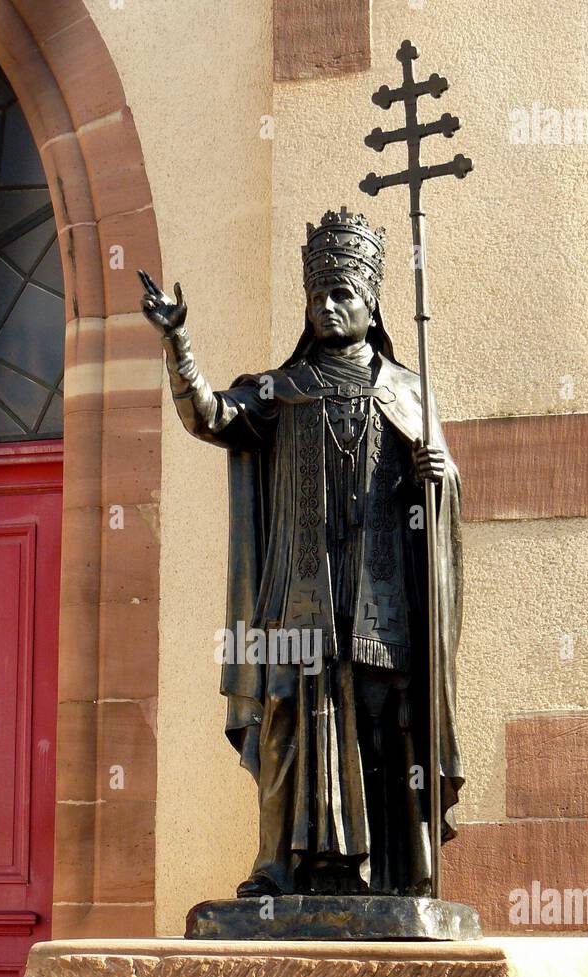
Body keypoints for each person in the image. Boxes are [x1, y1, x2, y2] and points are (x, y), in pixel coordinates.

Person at [139, 208, 465, 898]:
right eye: (316, 295)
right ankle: (276, 870)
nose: (326, 306)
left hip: (381, 601)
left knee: (382, 730)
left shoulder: (409, 391)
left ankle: (394, 877)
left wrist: (438, 477)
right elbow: (208, 416)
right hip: (297, 592)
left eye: (340, 292)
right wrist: (178, 343)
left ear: (371, 301)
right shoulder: (278, 391)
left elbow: (439, 501)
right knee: (286, 721)